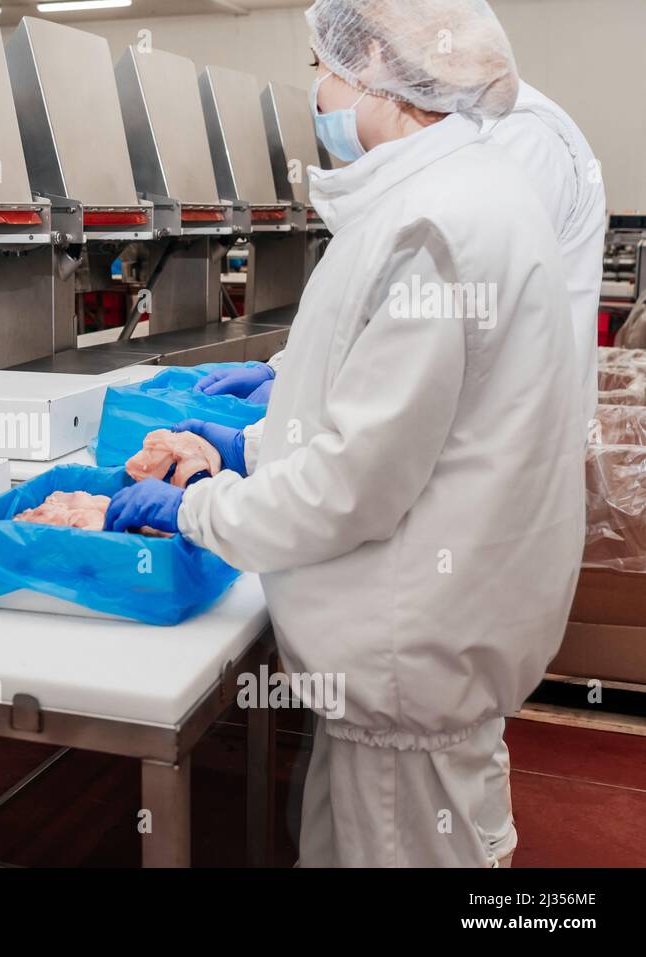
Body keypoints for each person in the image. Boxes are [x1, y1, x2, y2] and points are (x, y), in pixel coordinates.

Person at [105, 0, 587, 867]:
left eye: (323, 65)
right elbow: (381, 415)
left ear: (375, 66)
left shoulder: (435, 225)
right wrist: (244, 446)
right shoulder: (450, 197)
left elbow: (354, 483)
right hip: (414, 681)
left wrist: (198, 508)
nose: (317, 88)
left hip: (408, 672)